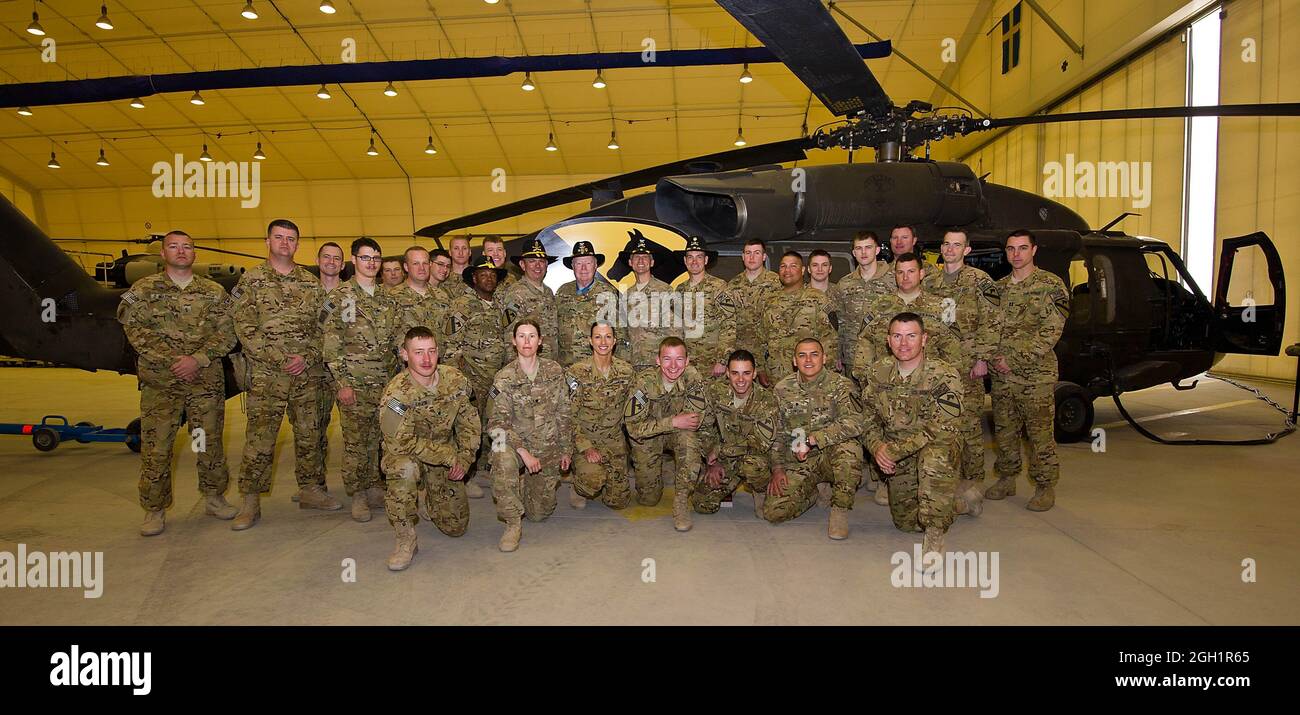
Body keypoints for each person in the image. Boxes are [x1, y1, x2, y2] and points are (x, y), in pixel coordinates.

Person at [118, 230, 238, 536]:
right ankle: (154, 509)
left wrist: (197, 359)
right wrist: (175, 361)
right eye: (174, 246)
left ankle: (214, 497)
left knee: (207, 441)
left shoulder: (213, 292)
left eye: (187, 246)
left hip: (204, 382)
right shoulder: (144, 290)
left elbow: (227, 333)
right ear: (162, 253)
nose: (181, 251)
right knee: (158, 447)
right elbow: (135, 331)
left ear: (195, 253)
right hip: (161, 383)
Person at [228, 219, 331, 530]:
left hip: (306, 373)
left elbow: (323, 328)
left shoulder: (310, 283)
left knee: (309, 434)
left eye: (291, 239)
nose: (285, 243)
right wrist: (280, 358)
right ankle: (250, 501)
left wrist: (306, 357)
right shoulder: (251, 281)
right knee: (260, 439)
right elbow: (244, 327)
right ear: (268, 241)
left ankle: (311, 489)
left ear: (297, 244)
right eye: (279, 237)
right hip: (266, 374)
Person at [860, 313, 965, 556]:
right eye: (897, 336)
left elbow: (944, 426)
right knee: (906, 523)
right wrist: (878, 448)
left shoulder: (943, 374)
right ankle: (959, 503)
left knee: (934, 459)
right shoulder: (878, 372)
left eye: (911, 336)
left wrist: (893, 451)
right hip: (898, 452)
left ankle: (934, 537)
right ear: (888, 340)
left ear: (924, 339)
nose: (904, 344)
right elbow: (867, 419)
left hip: (935, 446)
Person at [379, 327, 480, 571]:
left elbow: (470, 423)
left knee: (456, 527)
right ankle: (405, 538)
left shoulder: (455, 380)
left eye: (432, 351)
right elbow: (399, 442)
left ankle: (430, 499)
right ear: (405, 355)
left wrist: (464, 459)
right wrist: (448, 456)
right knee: (404, 469)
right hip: (408, 456)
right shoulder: (396, 394)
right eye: (418, 352)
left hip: (444, 459)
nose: (426, 360)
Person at [983, 230, 1069, 511]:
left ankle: (1045, 486)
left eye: (1022, 248)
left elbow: (1050, 332)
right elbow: (988, 330)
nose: (1016, 254)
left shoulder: (1050, 286)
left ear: (1034, 250)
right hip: (1002, 377)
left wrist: (1015, 360)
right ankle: (1007, 478)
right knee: (1005, 432)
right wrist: (993, 358)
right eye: (1010, 249)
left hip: (1035, 377)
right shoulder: (998, 289)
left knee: (1039, 435)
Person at [922, 228, 1001, 515]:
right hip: (934, 370)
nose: (950, 249)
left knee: (968, 428)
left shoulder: (980, 282)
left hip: (967, 367)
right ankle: (947, 481)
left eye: (957, 245)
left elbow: (992, 322)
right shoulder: (929, 281)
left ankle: (973, 486)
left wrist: (983, 358)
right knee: (941, 427)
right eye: (946, 244)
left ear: (967, 250)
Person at [323, 237, 403, 522]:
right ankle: (358, 493)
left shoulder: (388, 299)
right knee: (357, 441)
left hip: (386, 383)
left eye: (376, 258)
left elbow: (396, 340)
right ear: (354, 260)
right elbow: (332, 345)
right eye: (366, 257)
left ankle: (374, 486)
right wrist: (342, 383)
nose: (371, 263)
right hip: (355, 383)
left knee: (383, 437)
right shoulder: (340, 298)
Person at [486, 320, 574, 551]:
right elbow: (496, 425)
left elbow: (564, 411)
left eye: (532, 336)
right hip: (516, 447)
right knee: (500, 453)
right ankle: (512, 524)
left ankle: (524, 483)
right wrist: (522, 452)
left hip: (547, 447)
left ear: (540, 341)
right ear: (514, 341)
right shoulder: (504, 378)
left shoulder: (554, 371)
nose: (527, 341)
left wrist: (566, 449)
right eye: (522, 336)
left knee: (539, 514)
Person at [765, 337, 863, 539]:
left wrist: (813, 440)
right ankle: (815, 490)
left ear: (825, 358)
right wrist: (777, 468)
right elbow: (777, 434)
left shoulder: (841, 386)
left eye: (814, 354)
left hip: (831, 456)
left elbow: (855, 422)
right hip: (799, 463)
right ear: (794, 361)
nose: (808, 360)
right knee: (774, 512)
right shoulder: (782, 389)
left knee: (850, 450)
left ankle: (840, 510)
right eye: (802, 355)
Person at [443, 255, 511, 499]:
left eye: (493, 275)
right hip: (471, 378)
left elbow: (508, 339)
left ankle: (488, 467)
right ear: (474, 278)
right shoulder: (461, 305)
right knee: (469, 429)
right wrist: (458, 383)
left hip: (497, 379)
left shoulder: (501, 306)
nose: (489, 278)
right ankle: (467, 475)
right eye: (484, 274)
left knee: (495, 426)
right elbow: (450, 347)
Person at [624, 337, 707, 532]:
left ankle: (681, 503)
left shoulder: (693, 378)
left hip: (676, 435)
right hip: (647, 440)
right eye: (667, 359)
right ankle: (652, 471)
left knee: (688, 440)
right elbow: (634, 428)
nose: (673, 366)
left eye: (679, 359)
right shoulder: (644, 383)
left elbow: (695, 421)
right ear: (658, 360)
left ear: (687, 361)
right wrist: (673, 421)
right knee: (648, 500)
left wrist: (676, 425)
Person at [694, 349, 777, 518]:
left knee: (752, 466)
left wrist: (719, 451)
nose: (740, 380)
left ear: (754, 374)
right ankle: (729, 485)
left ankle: (760, 490)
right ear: (727, 373)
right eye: (735, 373)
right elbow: (704, 428)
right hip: (724, 459)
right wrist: (711, 461)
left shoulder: (766, 400)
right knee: (702, 504)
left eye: (746, 373)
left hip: (753, 458)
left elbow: (760, 443)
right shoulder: (715, 392)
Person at [565, 321, 635, 510]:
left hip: (613, 441)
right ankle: (578, 485)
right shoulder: (577, 372)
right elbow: (567, 416)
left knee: (618, 502)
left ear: (614, 341)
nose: (603, 341)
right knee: (592, 482)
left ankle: (605, 477)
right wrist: (586, 447)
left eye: (608, 337)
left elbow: (633, 409)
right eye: (598, 337)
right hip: (585, 439)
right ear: (590, 341)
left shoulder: (626, 372)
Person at [304, 241, 345, 505]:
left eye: (336, 258)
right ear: (318, 261)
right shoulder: (305, 292)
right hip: (313, 371)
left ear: (343, 264)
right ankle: (312, 486)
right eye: (326, 257)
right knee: (311, 428)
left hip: (344, 372)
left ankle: (365, 484)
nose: (331, 262)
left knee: (356, 429)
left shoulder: (352, 294)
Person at [760, 251, 837, 384]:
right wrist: (760, 368)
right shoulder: (770, 301)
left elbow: (830, 339)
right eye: (783, 266)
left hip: (809, 377)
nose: (787, 270)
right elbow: (761, 337)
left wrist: (826, 373)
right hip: (776, 376)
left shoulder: (818, 298)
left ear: (802, 270)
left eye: (793, 266)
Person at [829, 231, 891, 378]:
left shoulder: (893, 280)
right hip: (853, 357)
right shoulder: (844, 284)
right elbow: (836, 322)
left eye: (868, 247)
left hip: (885, 357)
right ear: (853, 253)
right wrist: (836, 354)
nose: (863, 252)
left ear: (877, 250)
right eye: (859, 248)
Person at [673, 236, 735, 378]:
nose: (694, 261)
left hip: (711, 364)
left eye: (699, 257)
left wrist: (722, 361)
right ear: (685, 261)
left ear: (706, 260)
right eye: (690, 257)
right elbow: (676, 327)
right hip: (686, 365)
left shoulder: (719, 287)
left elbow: (729, 325)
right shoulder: (679, 290)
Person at [621, 236, 681, 371]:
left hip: (659, 365)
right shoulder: (626, 295)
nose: (641, 261)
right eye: (637, 257)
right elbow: (623, 333)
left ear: (652, 262)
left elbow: (675, 331)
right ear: (630, 262)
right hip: (634, 364)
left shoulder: (665, 290)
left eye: (645, 257)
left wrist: (670, 362)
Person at [556, 240, 621, 365]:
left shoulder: (608, 293)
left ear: (595, 265)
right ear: (573, 266)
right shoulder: (562, 292)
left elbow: (619, 333)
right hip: (566, 366)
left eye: (588, 263)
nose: (584, 268)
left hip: (596, 368)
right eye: (579, 263)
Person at [723, 238, 781, 369]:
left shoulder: (777, 283)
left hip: (769, 352)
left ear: (764, 256)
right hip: (740, 353)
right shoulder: (732, 284)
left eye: (757, 253)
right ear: (743, 257)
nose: (752, 257)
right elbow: (727, 321)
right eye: (748, 253)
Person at [500, 237, 560, 360]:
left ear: (547, 264)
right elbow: (510, 335)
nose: (537, 265)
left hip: (550, 366)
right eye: (532, 261)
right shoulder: (516, 293)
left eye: (541, 261)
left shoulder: (548, 292)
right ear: (522, 265)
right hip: (528, 366)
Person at [390, 245, 447, 346]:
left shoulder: (442, 296)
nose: (422, 268)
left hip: (439, 359)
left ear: (430, 264)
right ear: (406, 267)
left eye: (425, 263)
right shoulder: (392, 297)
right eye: (416, 263)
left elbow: (449, 332)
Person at [884, 224, 920, 291]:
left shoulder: (928, 270)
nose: (899, 242)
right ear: (890, 241)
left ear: (914, 240)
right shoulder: (882, 271)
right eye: (895, 238)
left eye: (904, 237)